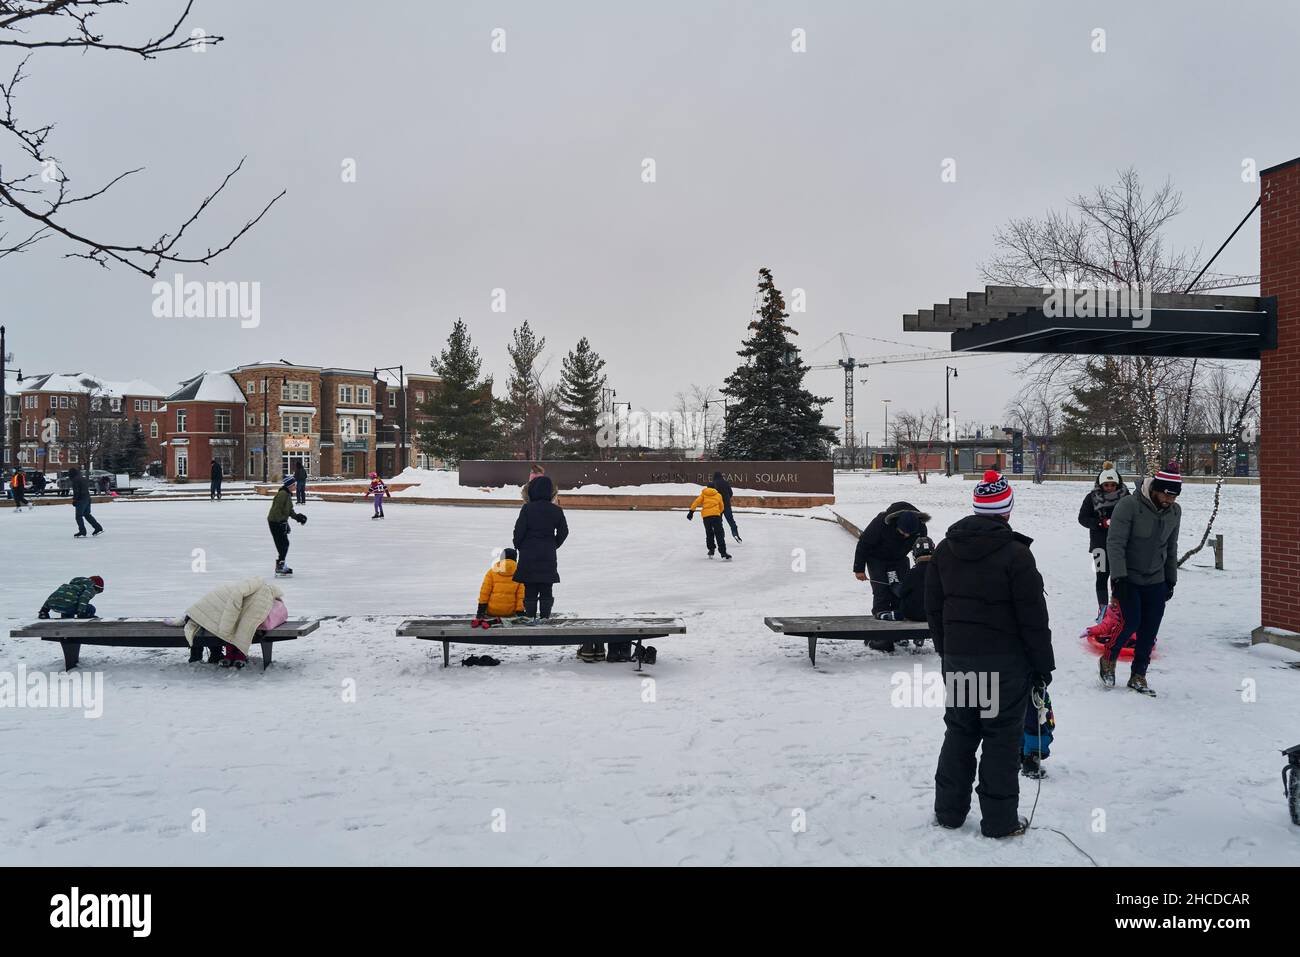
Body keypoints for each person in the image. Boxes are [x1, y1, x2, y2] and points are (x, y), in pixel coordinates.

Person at [925, 470, 1054, 838]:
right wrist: (1043, 666)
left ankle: (949, 813)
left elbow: (933, 609)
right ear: (1007, 511)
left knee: (961, 733)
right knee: (1000, 740)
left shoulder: (944, 551)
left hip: (961, 662)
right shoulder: (1017, 555)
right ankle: (999, 822)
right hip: (1005, 668)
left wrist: (947, 652)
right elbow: (1033, 620)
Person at [1100, 463, 1181, 696]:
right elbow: (1115, 544)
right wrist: (1119, 578)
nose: (1169, 499)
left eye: (1174, 495)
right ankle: (1108, 658)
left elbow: (1171, 547)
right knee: (1131, 621)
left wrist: (1170, 579)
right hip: (1128, 577)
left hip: (1156, 578)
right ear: (1155, 489)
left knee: (1150, 628)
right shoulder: (1129, 506)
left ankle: (1139, 675)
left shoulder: (1175, 512)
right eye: (1166, 493)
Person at [180, 577, 286, 669]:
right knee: (228, 623)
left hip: (210, 607)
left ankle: (219, 653)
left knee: (227, 623)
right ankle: (222, 653)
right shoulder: (256, 592)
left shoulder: (257, 592)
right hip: (214, 607)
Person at [512, 474, 569, 632]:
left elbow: (519, 531)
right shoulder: (556, 510)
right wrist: (553, 544)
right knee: (546, 587)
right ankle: (545, 618)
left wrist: (520, 545)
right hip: (548, 554)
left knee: (530, 587)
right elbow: (564, 531)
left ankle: (530, 618)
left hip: (528, 554)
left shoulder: (527, 509)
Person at [853, 501, 929, 617]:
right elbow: (864, 544)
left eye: (910, 533)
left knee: (901, 588)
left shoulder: (920, 528)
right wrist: (859, 569)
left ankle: (899, 612)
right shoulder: (880, 523)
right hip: (877, 558)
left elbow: (920, 548)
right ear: (896, 524)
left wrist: (922, 568)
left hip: (899, 559)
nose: (906, 536)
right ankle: (880, 613)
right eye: (903, 532)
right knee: (881, 590)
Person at [1078, 461, 1129, 619]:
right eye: (1106, 485)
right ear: (1101, 484)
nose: (1109, 488)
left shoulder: (1126, 497)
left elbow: (1133, 516)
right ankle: (1102, 609)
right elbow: (1082, 518)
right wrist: (1100, 523)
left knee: (1118, 578)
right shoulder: (1092, 497)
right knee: (1101, 576)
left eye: (1112, 485)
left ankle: (1117, 608)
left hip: (1121, 546)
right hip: (1099, 546)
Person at [473, 548, 526, 628]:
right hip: (510, 612)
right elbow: (521, 596)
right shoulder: (520, 572)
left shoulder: (492, 572)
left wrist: (480, 611)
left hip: (492, 612)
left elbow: (484, 593)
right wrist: (520, 613)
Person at [267, 476, 308, 576]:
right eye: (294, 484)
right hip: (275, 522)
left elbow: (288, 510)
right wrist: (281, 522)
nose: (295, 486)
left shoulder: (287, 494)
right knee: (283, 544)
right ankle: (280, 565)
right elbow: (277, 509)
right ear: (290, 485)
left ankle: (281, 564)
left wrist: (297, 517)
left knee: (283, 544)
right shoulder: (283, 494)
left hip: (277, 521)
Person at [687, 482, 731, 560]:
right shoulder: (718, 495)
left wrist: (691, 512)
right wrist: (718, 513)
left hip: (706, 517)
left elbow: (696, 502)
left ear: (707, 487)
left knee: (709, 533)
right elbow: (722, 507)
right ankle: (723, 553)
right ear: (714, 488)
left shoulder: (704, 494)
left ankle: (711, 550)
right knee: (719, 534)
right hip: (716, 517)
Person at [1021, 683, 1055, 780]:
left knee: (1020, 718)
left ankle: (1021, 754)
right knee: (1036, 722)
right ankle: (1031, 759)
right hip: (1032, 683)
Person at [897, 536, 935, 622]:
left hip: (914, 615)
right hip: (936, 614)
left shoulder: (912, 572)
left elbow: (901, 592)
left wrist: (895, 585)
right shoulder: (940, 571)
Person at [39, 575, 105, 619]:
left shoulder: (68, 586)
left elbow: (53, 597)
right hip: (67, 606)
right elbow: (84, 598)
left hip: (53, 605)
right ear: (97, 587)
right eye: (98, 591)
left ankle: (67, 618)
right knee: (91, 608)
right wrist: (81, 613)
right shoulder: (91, 587)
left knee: (67, 602)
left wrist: (44, 611)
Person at [68, 467, 104, 538]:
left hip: (81, 499)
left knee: (78, 516)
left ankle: (82, 531)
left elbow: (77, 491)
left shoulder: (75, 480)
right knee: (87, 514)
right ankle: (98, 527)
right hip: (87, 498)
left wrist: (75, 500)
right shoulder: (82, 478)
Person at [711, 470, 742, 543]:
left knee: (719, 521)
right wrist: (727, 499)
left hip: (718, 505)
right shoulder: (725, 483)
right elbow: (730, 493)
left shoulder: (713, 484)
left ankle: (721, 535)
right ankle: (735, 533)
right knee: (730, 520)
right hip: (726, 505)